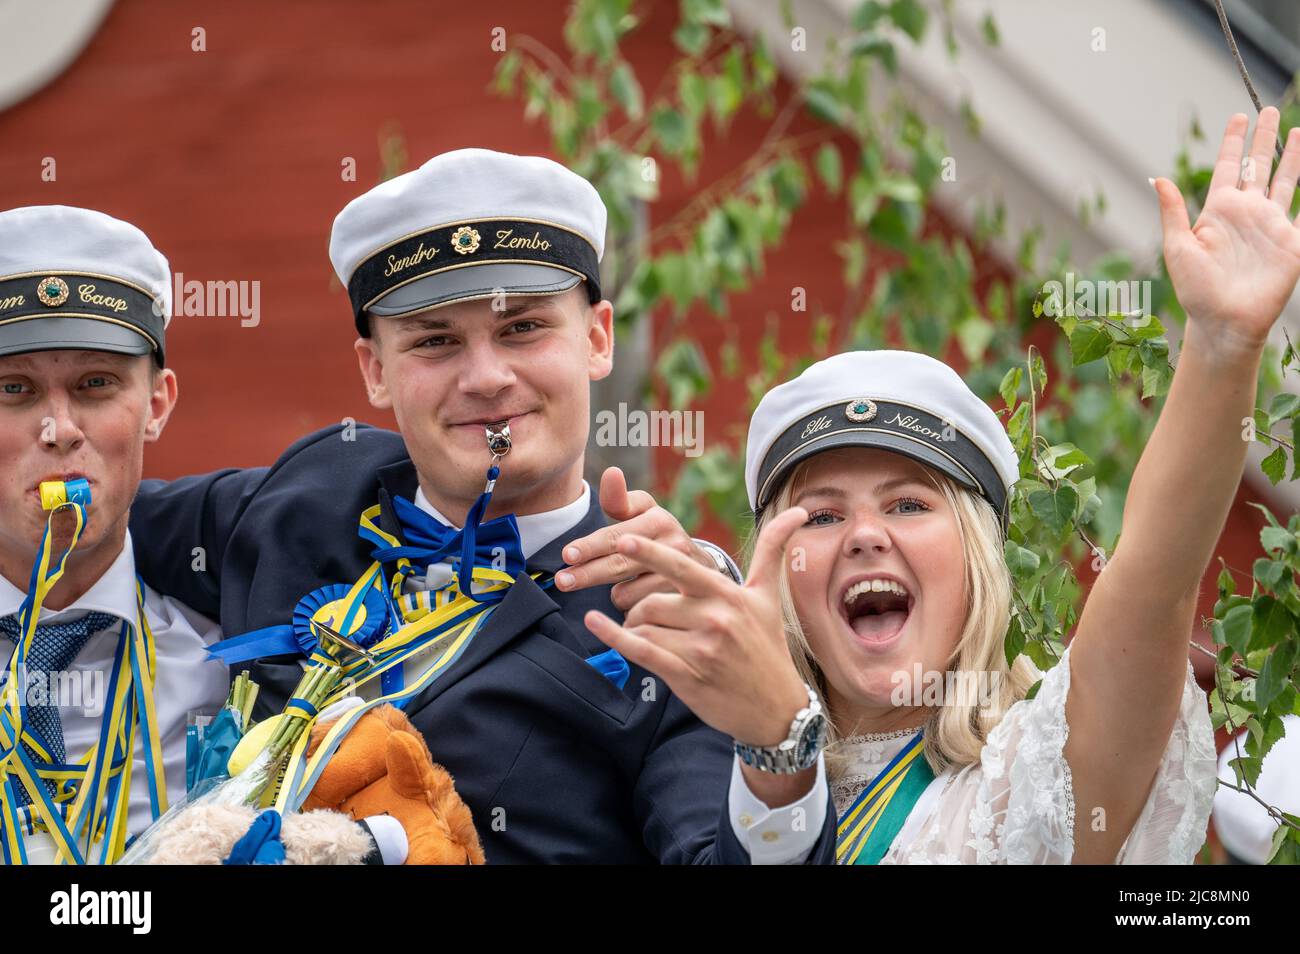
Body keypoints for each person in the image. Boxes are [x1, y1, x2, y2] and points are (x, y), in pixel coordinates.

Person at [587, 107, 1299, 863]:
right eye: (823, 516)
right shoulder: (702, 785)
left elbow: (1154, 581)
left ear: (975, 562)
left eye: (908, 504)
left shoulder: (1036, 776)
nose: (865, 534)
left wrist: (1222, 347)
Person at [130, 148, 838, 863]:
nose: (487, 378)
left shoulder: (666, 613)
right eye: (435, 342)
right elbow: (81, 526)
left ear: (597, 338)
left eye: (522, 328)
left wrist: (778, 739)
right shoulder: (309, 489)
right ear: (375, 370)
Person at [0, 205, 230, 864]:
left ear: (156, 405)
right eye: (15, 389)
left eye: (95, 386)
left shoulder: (233, 663)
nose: (60, 428)